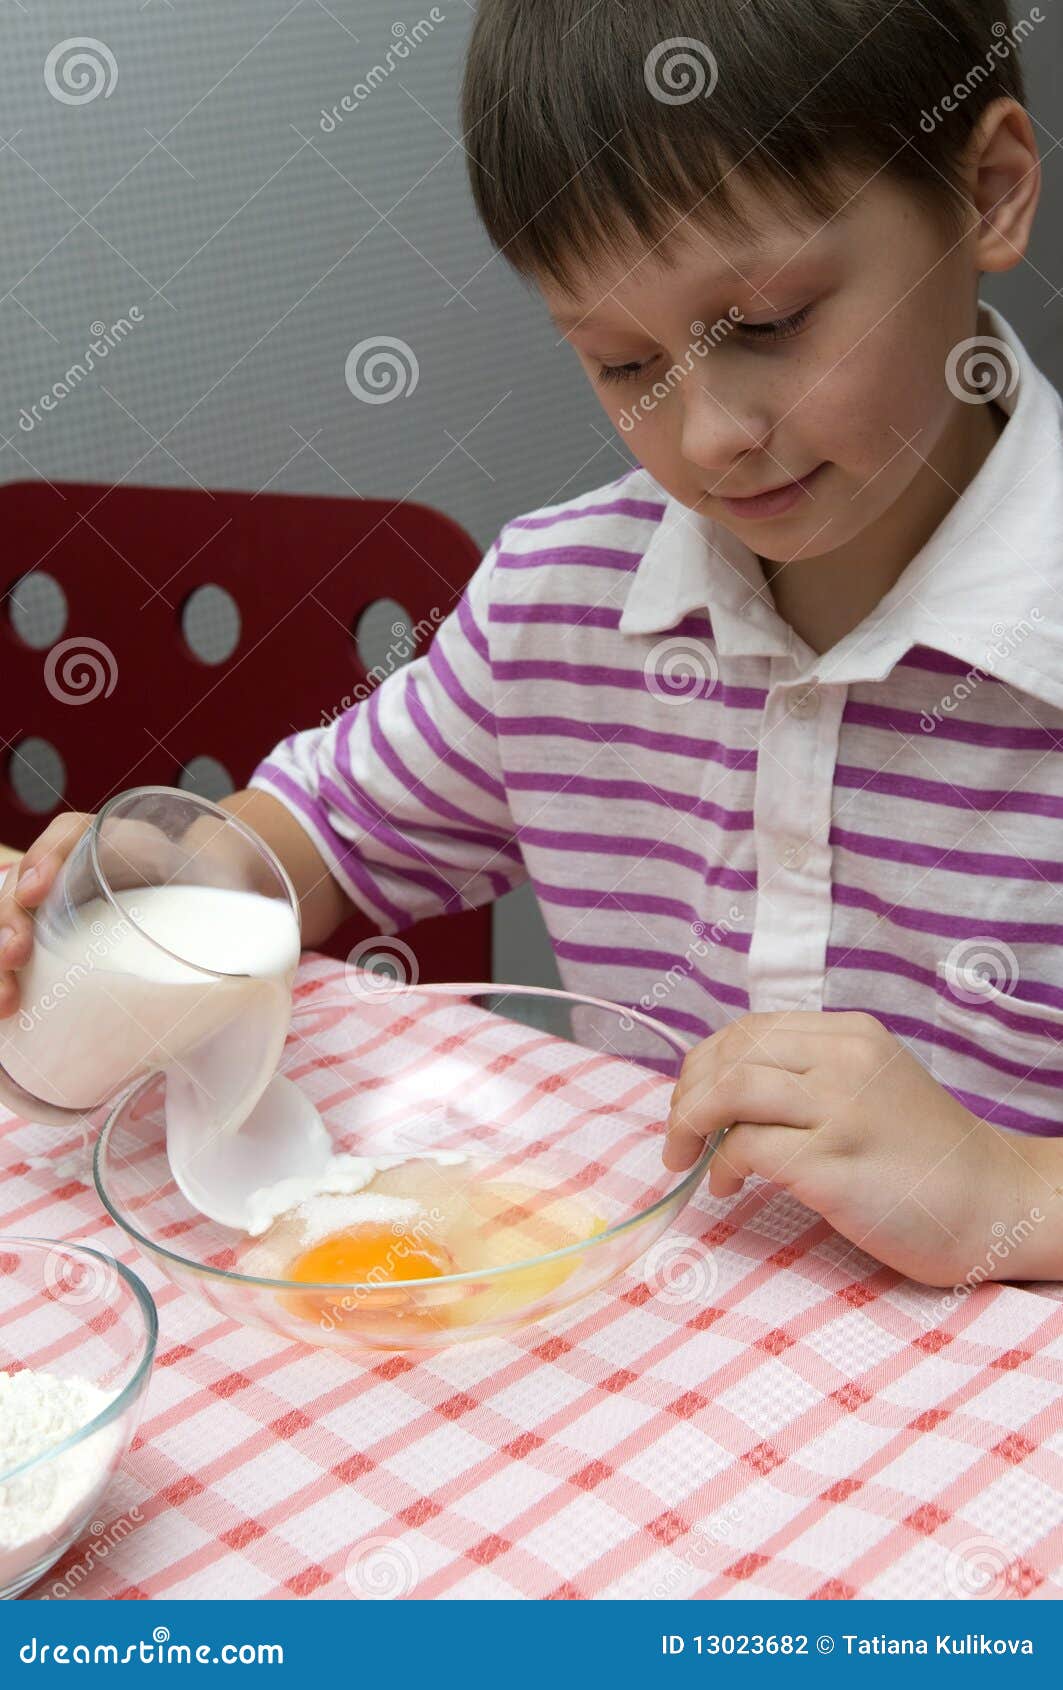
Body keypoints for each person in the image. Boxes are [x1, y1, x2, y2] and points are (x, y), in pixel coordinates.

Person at [3, 0, 1060, 1288]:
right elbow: (319, 839)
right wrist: (149, 896)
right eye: (624, 366)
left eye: (771, 322)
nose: (711, 432)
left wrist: (1008, 1186)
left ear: (991, 193)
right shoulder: (561, 603)